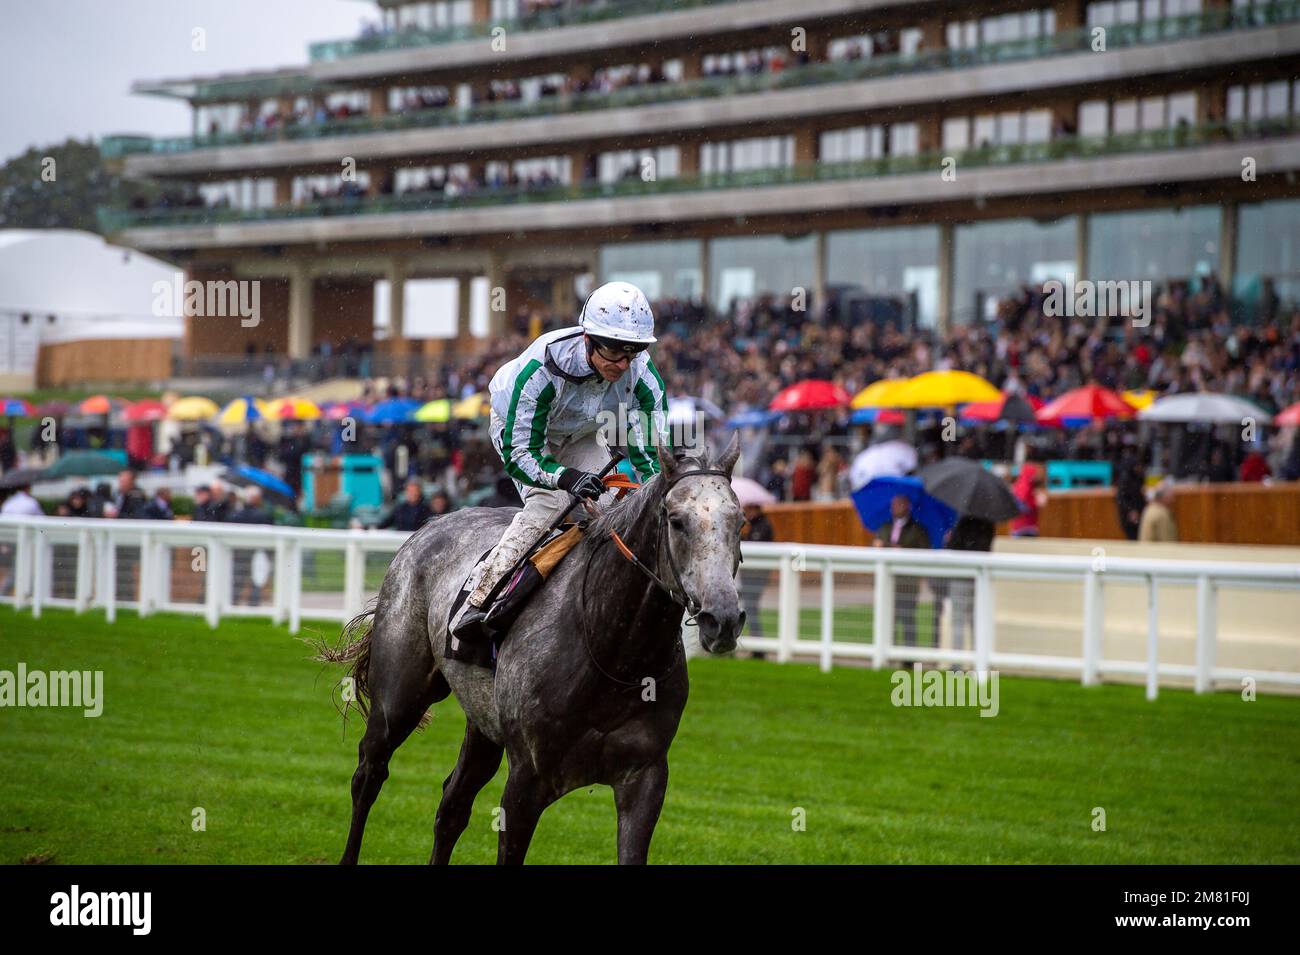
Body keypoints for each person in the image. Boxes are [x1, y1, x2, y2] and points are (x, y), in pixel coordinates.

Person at [451, 281, 669, 641]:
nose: (623, 363)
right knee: (552, 504)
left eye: (634, 351)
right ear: (588, 339)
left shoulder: (641, 373)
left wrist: (651, 498)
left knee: (614, 508)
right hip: (521, 432)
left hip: (581, 432)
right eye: (614, 351)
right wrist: (565, 478)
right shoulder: (541, 369)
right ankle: (478, 601)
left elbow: (653, 458)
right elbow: (522, 455)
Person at [873, 494, 931, 649]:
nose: (895, 507)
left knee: (907, 618)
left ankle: (908, 656)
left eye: (899, 504)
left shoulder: (918, 529)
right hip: (887, 580)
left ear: (907, 505)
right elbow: (879, 544)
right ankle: (886, 650)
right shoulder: (885, 527)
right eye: (894, 504)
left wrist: (899, 550)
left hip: (907, 581)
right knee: (887, 617)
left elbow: (923, 553)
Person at [941, 515, 995, 654]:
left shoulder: (964, 521)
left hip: (962, 576)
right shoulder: (989, 523)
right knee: (976, 620)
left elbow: (954, 546)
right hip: (980, 578)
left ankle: (957, 662)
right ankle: (978, 658)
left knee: (958, 621)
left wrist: (948, 540)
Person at [737, 503, 774, 641]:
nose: (748, 512)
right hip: (749, 574)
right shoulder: (753, 526)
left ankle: (757, 643)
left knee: (750, 607)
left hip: (757, 575)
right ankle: (755, 641)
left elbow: (756, 545)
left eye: (750, 509)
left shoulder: (763, 525)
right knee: (748, 606)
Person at [1009, 461, 1047, 537]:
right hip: (1026, 527)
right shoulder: (1025, 486)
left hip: (1019, 527)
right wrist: (1036, 502)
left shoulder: (1019, 485)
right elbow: (1023, 506)